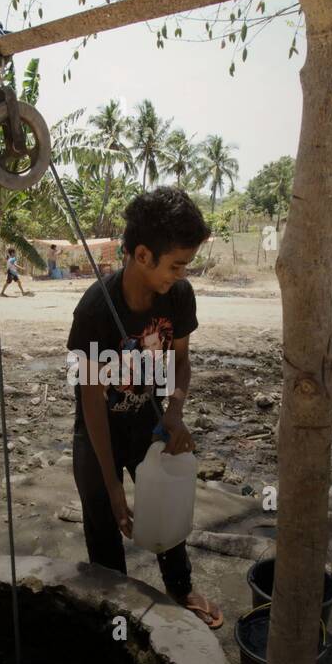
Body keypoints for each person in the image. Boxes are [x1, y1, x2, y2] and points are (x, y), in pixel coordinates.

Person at [68, 186, 223, 629]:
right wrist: (113, 485)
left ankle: (180, 586)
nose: (180, 274)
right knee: (104, 523)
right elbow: (91, 400)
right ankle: (116, 610)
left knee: (166, 504)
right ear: (141, 255)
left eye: (185, 265)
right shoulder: (96, 309)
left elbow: (180, 360)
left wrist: (173, 411)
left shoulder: (178, 297)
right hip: (98, 432)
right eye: (174, 265)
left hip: (148, 422)